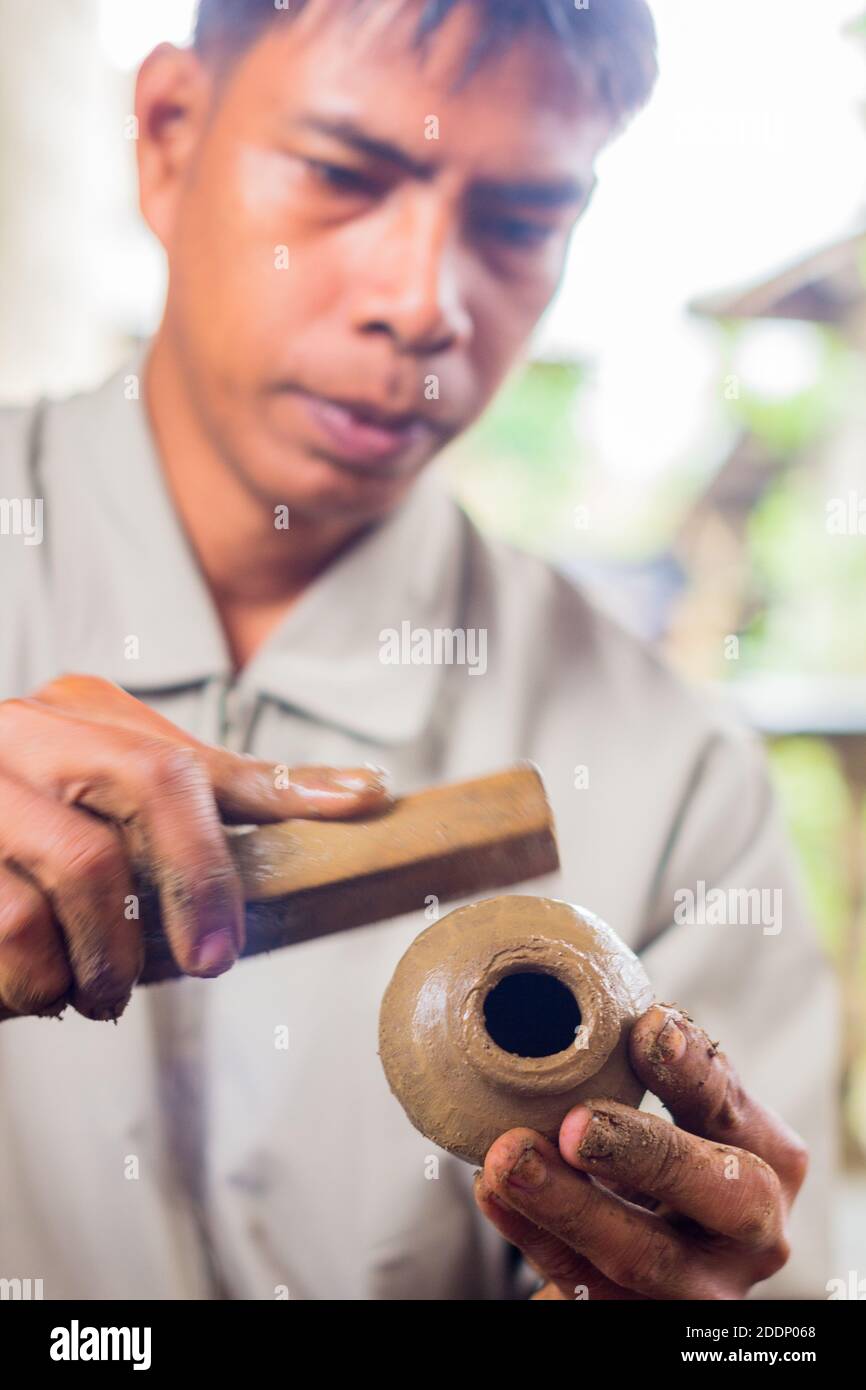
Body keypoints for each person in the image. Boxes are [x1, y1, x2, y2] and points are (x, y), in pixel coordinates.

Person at [0, 0, 837, 1300]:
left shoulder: (676, 778)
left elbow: (764, 1280)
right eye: (341, 175)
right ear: (167, 137)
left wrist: (727, 1318)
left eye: (515, 222)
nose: (422, 301)